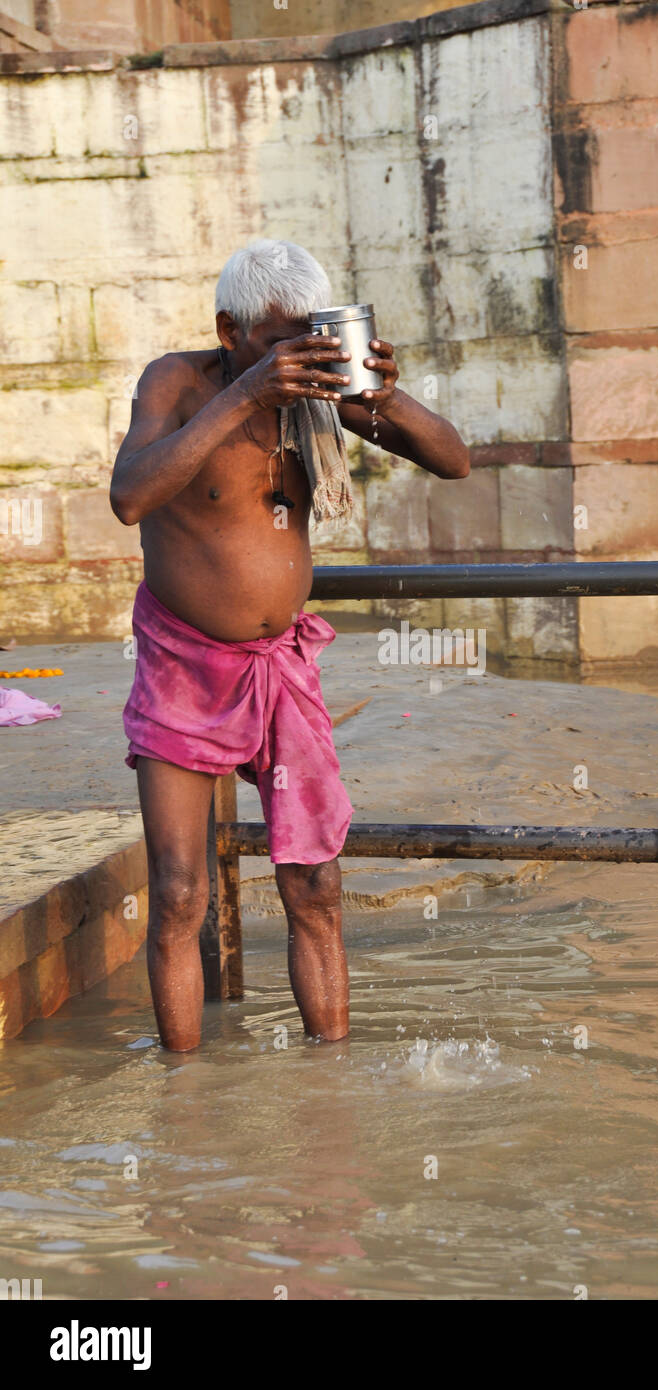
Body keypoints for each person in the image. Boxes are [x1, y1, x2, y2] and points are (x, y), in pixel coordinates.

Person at [110, 238, 470, 1052]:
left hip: (282, 671)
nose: (297, 356)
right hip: (182, 669)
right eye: (279, 341)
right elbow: (130, 496)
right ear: (228, 329)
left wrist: (380, 390)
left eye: (308, 336)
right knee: (177, 894)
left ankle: (328, 1087)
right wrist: (242, 395)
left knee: (315, 887)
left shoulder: (318, 391)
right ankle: (185, 1105)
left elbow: (454, 460)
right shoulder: (179, 382)